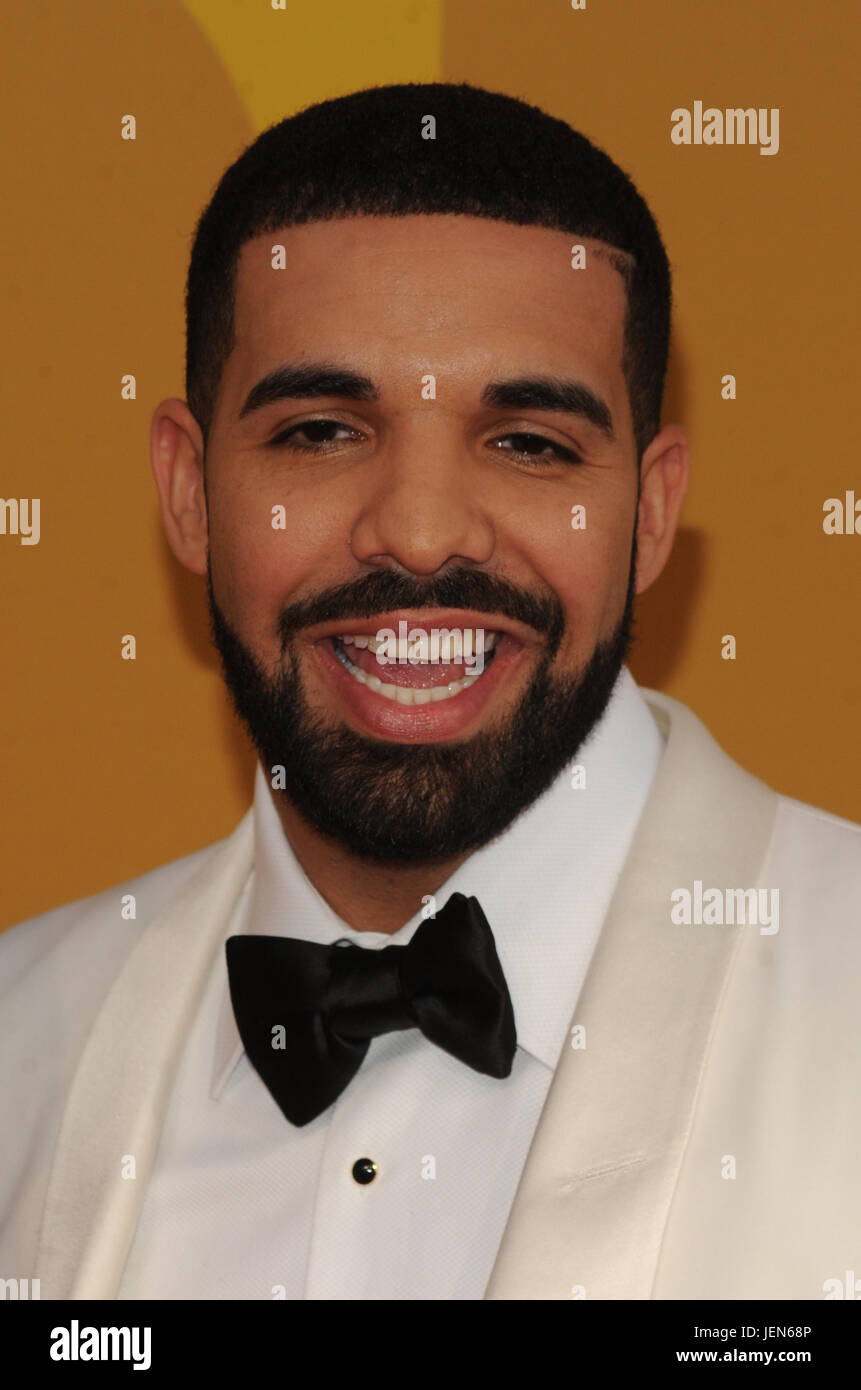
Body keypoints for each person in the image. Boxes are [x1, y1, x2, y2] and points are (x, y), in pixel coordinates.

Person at [1, 81, 859, 1303]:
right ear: (189, 492)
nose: (414, 531)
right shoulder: (16, 1045)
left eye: (528, 443)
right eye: (319, 431)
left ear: (652, 513)